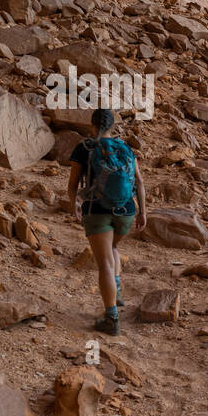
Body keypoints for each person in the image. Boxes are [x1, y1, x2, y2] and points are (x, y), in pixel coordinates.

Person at [66, 108, 146, 336]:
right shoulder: (125, 148)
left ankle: (111, 318)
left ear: (92, 125)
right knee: (112, 248)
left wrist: (75, 206)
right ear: (113, 126)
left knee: (105, 265)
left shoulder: (85, 148)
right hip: (127, 210)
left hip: (97, 210)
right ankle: (117, 293)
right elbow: (139, 182)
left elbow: (72, 185)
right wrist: (143, 212)